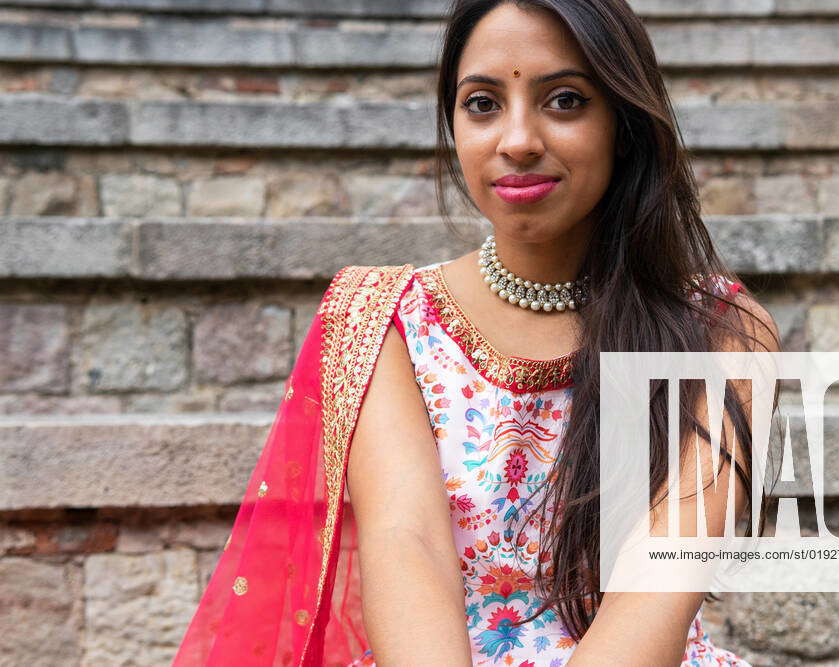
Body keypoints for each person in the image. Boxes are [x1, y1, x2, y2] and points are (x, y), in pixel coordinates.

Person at [173, 1, 780, 665]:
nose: (516, 139)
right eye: (483, 103)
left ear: (623, 124)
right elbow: (409, 545)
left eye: (566, 100)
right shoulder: (386, 320)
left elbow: (658, 587)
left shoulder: (721, 332)